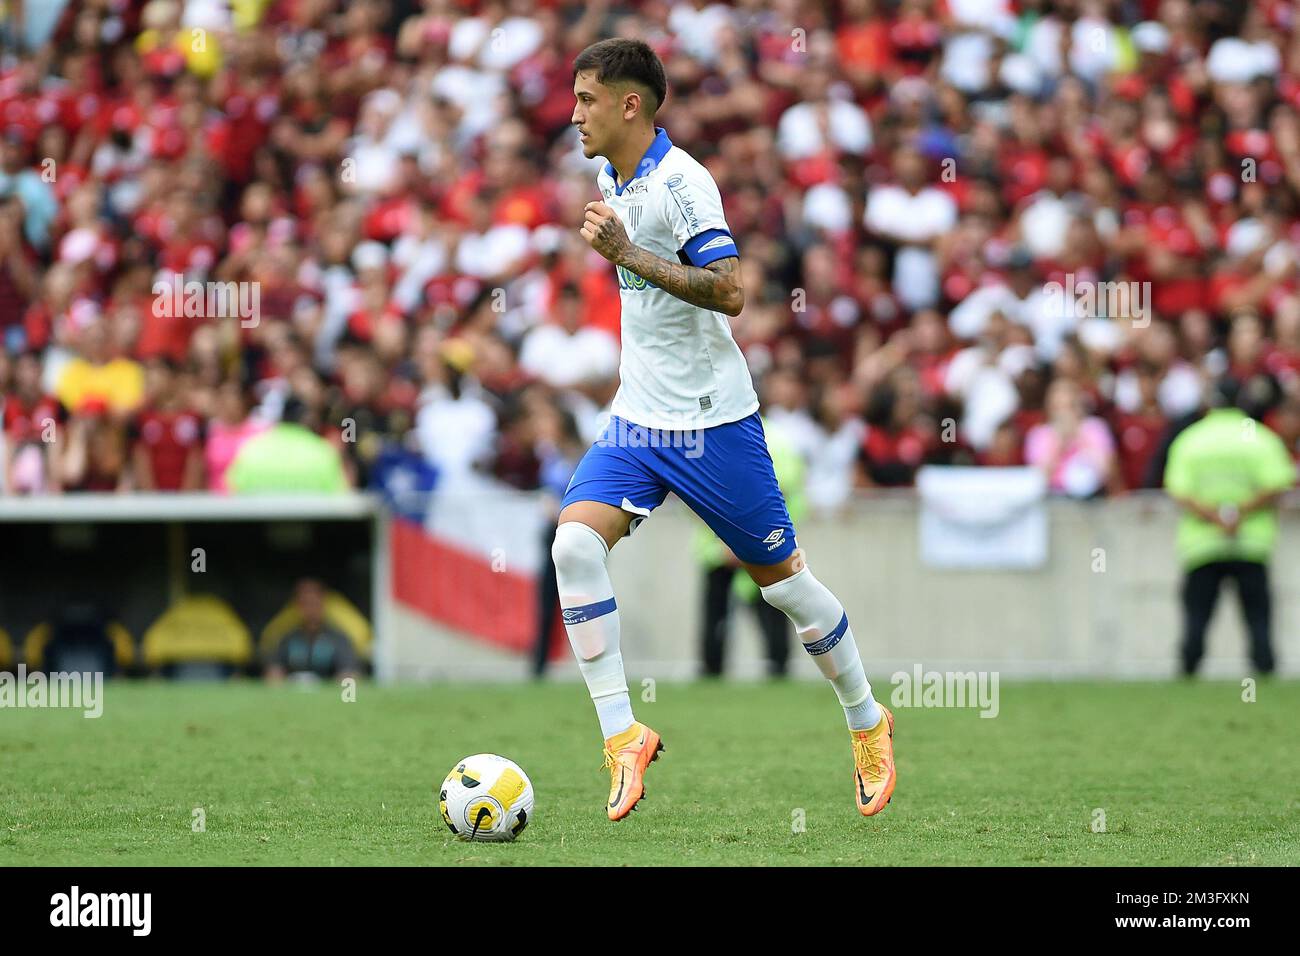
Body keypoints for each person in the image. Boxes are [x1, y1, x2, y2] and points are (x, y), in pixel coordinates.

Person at [554, 39, 895, 822]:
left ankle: (867, 720)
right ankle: (622, 736)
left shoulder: (683, 184)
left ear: (631, 104)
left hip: (712, 425)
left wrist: (629, 252)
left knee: (788, 593)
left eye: (587, 99)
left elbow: (733, 290)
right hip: (638, 418)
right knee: (573, 544)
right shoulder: (611, 171)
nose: (574, 115)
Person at [1163, 379, 1296, 676]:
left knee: (1196, 617)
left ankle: (1188, 671)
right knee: (1257, 616)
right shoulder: (1260, 437)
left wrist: (1215, 518)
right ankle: (1265, 672)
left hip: (1202, 543)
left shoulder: (1191, 438)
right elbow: (1278, 483)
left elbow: (1178, 489)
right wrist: (1238, 514)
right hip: (1250, 542)